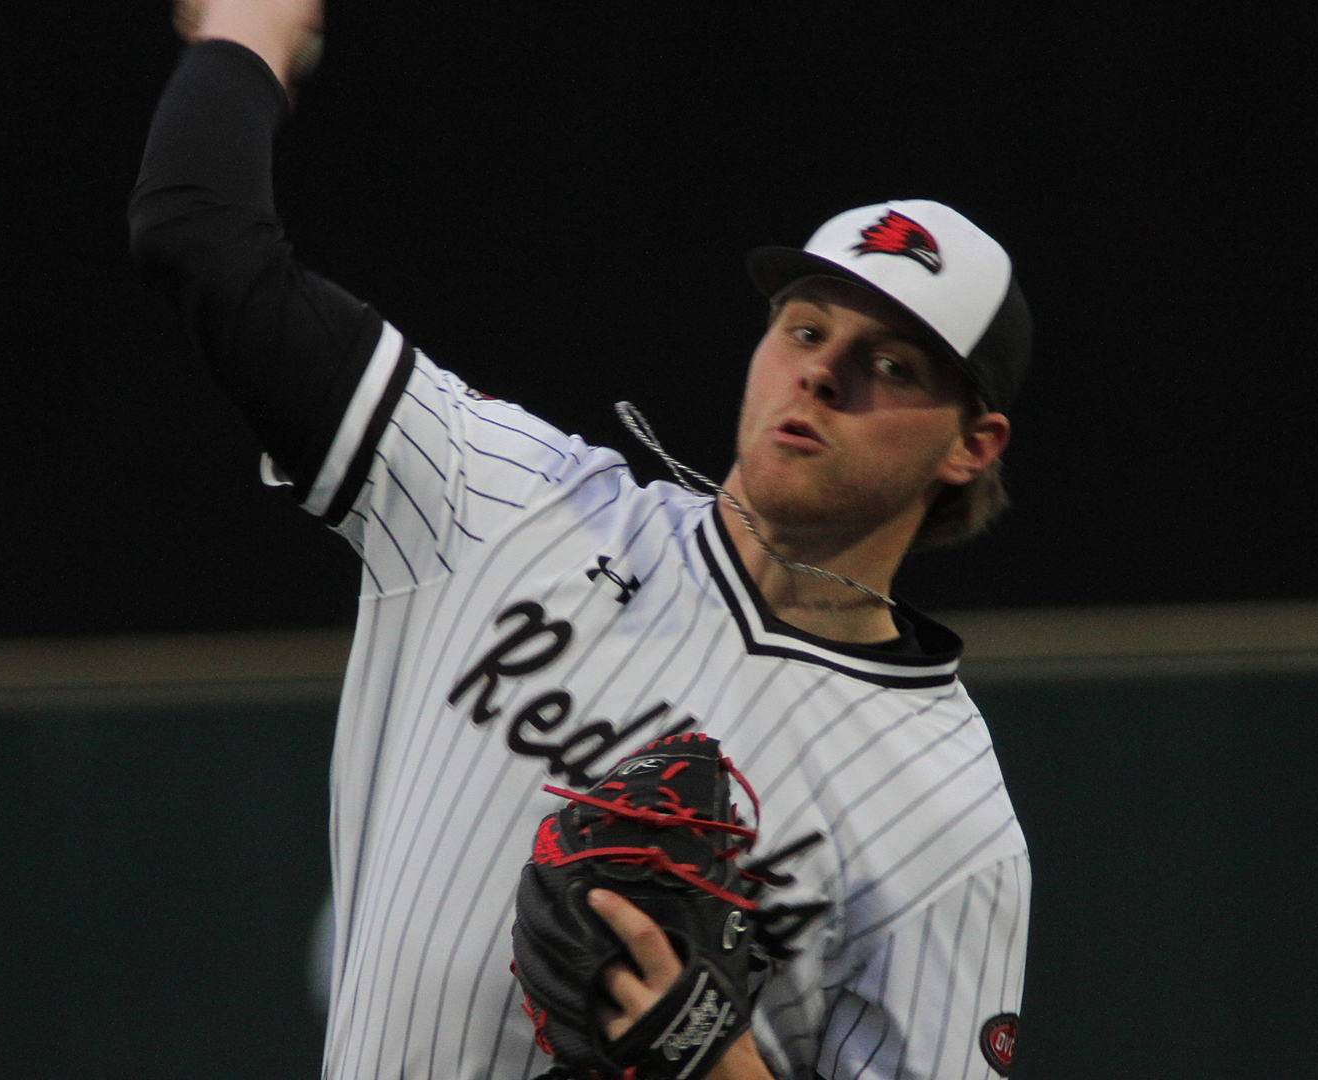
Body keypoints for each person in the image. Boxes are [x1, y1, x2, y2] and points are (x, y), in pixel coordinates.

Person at [130, 4, 1032, 1077]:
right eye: (805, 327)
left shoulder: (951, 819)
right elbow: (199, 237)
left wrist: (713, 1057)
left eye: (892, 365)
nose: (823, 372)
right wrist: (250, 31)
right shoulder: (508, 502)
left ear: (972, 445)